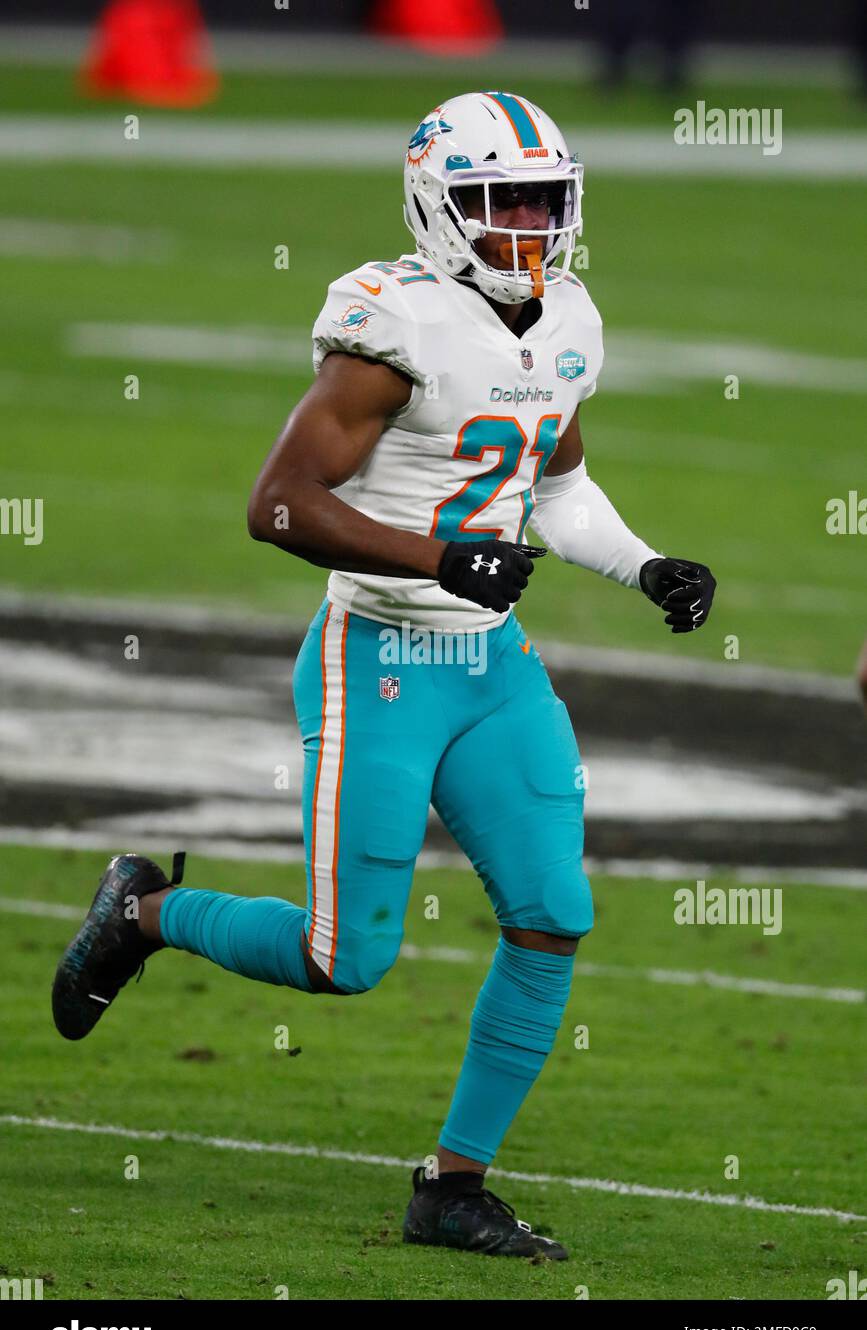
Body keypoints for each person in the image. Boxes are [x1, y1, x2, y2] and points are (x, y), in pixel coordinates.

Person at [52, 91, 716, 1261]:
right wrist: (441, 555)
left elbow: (553, 483)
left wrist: (647, 566)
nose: (525, 226)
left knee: (554, 916)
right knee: (341, 958)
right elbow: (276, 504)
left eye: (543, 201)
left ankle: (451, 1185)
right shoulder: (391, 325)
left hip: (492, 668)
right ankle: (144, 911)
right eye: (498, 200)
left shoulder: (570, 318)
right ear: (438, 205)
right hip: (382, 657)